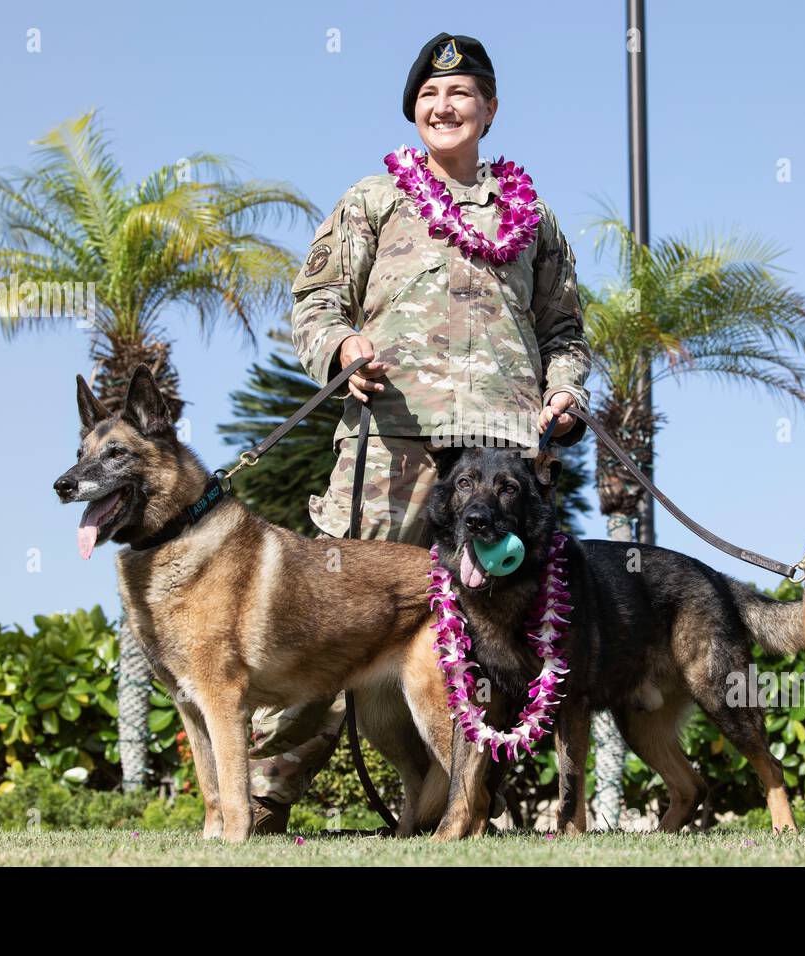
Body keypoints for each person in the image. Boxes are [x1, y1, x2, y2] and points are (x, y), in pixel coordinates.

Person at [247, 31, 592, 834]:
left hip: (501, 460)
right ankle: (262, 802)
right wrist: (341, 348)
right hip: (388, 451)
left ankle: (473, 804)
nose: (445, 106)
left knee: (496, 631)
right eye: (430, 97)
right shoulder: (375, 198)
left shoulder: (531, 216)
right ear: (415, 111)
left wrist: (566, 394)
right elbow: (316, 303)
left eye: (462, 94)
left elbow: (566, 332)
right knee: (335, 618)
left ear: (490, 109)